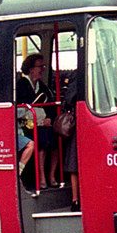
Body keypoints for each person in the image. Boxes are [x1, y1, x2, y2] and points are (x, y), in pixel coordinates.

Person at [16, 53, 59, 189]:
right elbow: (22, 110)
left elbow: (50, 104)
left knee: (56, 137)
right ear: (31, 69)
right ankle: (41, 177)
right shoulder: (21, 85)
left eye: (43, 66)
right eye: (40, 66)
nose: (42, 69)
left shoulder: (41, 86)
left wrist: (49, 119)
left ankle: (52, 175)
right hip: (26, 124)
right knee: (43, 137)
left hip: (41, 123)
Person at [61, 73, 80, 211]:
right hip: (89, 121)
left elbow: (68, 99)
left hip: (79, 120)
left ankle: (75, 199)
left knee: (74, 162)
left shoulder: (76, 75)